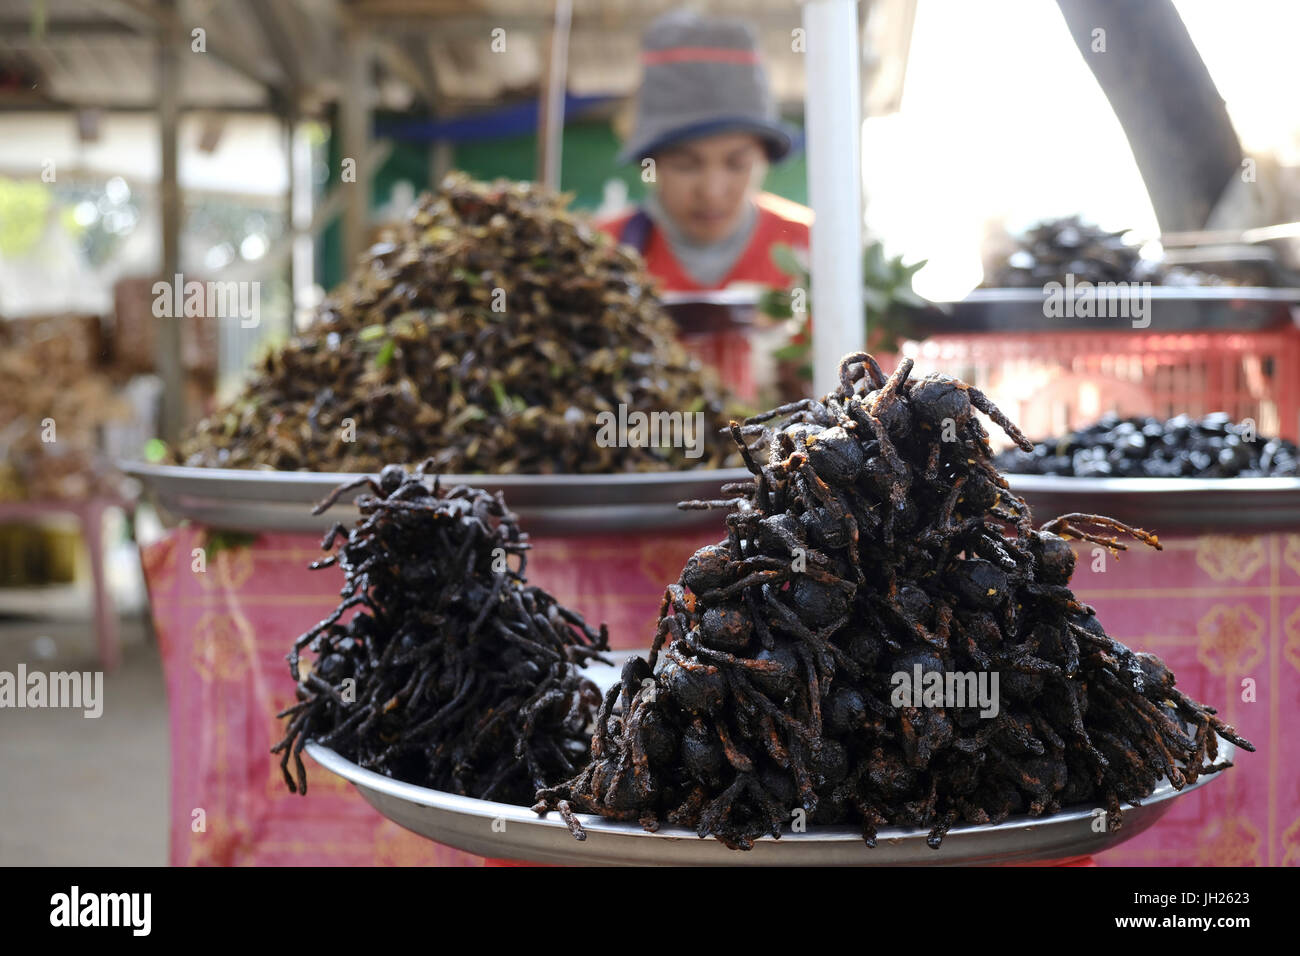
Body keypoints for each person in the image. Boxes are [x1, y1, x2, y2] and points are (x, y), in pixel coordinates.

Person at [599, 10, 811, 293]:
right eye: (685, 165)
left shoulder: (815, 254)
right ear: (652, 161)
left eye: (737, 163)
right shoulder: (599, 256)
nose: (712, 191)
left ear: (763, 156)